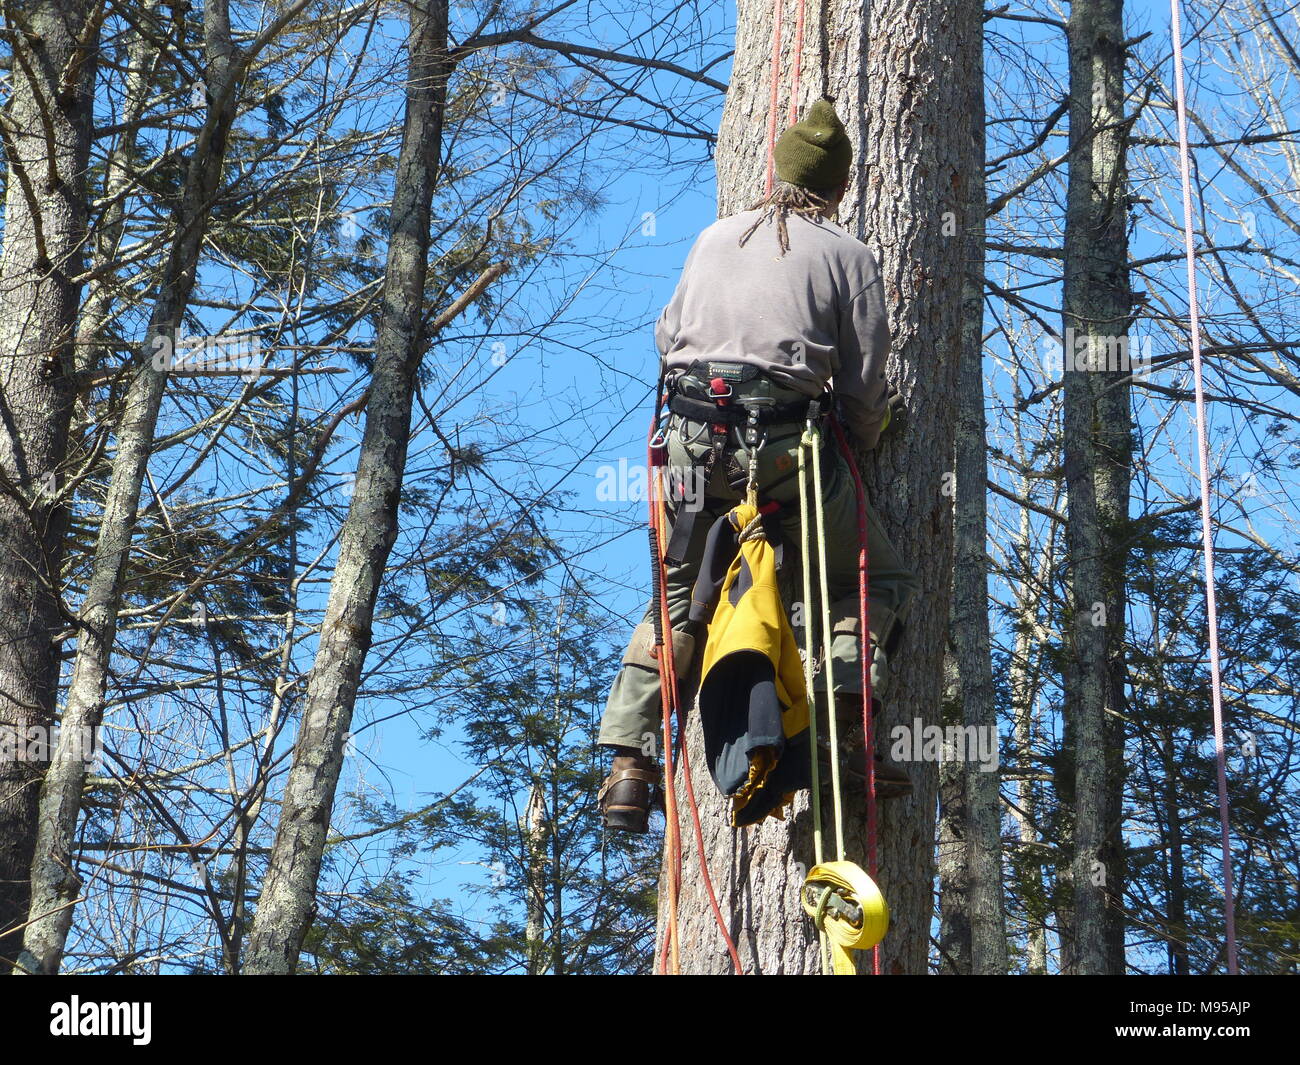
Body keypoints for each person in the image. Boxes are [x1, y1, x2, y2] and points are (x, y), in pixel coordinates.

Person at [598, 98, 920, 833]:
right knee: (867, 578)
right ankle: (845, 738)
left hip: (687, 439)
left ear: (777, 172)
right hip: (784, 447)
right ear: (837, 186)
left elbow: (668, 334)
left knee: (679, 599)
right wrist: (869, 431)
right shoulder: (849, 255)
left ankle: (629, 766)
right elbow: (867, 393)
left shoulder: (714, 237)